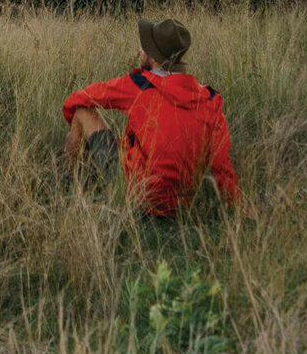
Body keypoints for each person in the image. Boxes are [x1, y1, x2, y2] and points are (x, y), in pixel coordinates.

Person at [61, 17, 240, 217]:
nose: (141, 50)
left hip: (137, 195)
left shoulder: (140, 85)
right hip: (180, 205)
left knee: (81, 112)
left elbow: (79, 99)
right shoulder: (210, 100)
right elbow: (221, 166)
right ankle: (94, 186)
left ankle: (68, 187)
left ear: (153, 57)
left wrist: (79, 139)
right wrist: (237, 206)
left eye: (145, 47)